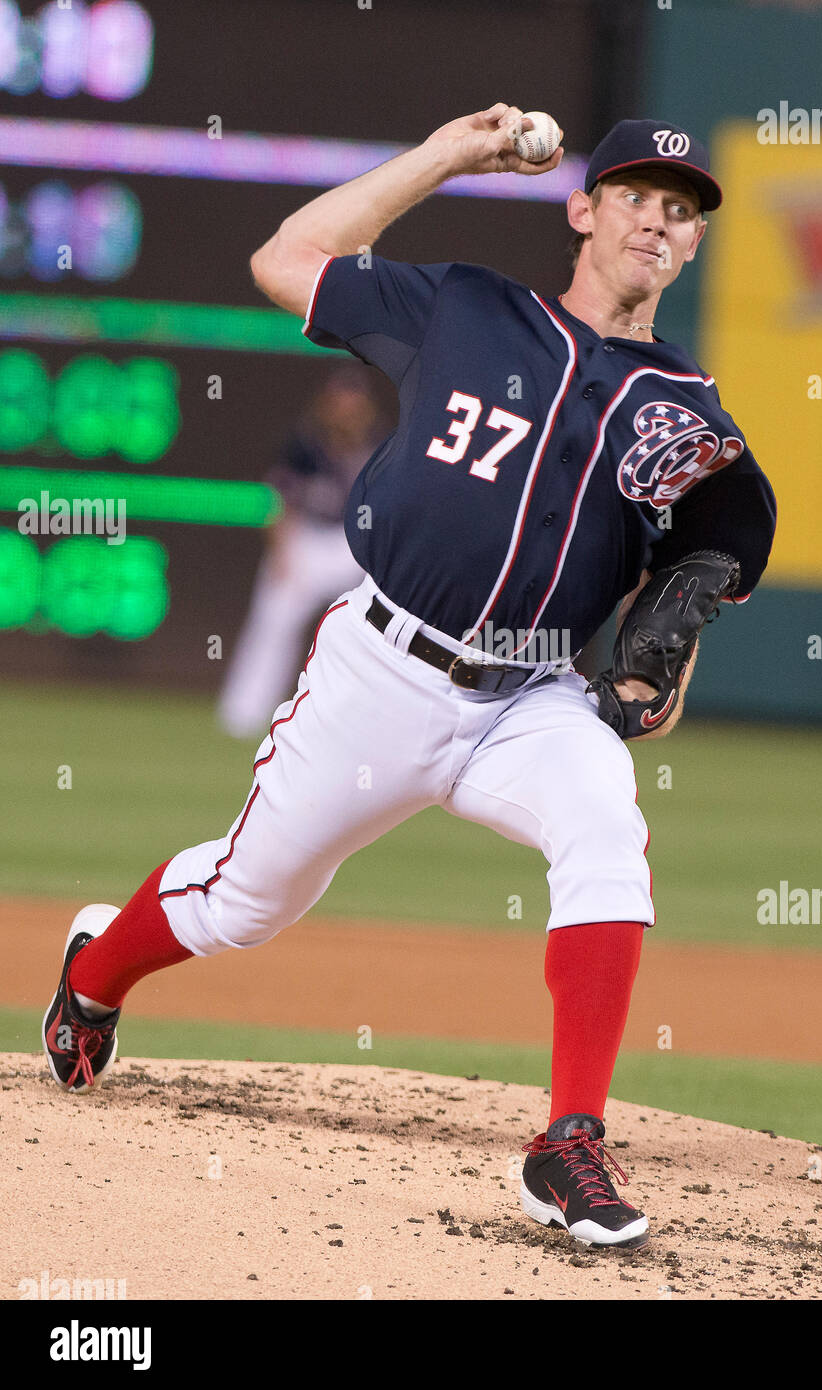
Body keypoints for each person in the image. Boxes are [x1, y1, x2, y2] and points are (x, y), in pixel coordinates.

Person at [43, 106, 776, 1251]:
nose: (657, 219)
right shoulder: (468, 309)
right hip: (384, 670)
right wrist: (445, 157)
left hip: (535, 695)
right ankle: (96, 973)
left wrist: (668, 656)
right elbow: (286, 260)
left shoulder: (686, 416)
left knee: (604, 824)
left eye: (680, 211)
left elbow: (704, 560)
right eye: (635, 194)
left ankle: (568, 1139)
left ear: (690, 247)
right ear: (582, 210)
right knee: (246, 901)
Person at [217, 363, 394, 737]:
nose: (346, 408)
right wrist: (283, 553)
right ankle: (243, 715)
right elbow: (281, 501)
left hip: (352, 546)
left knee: (377, 632)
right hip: (307, 540)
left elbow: (391, 510)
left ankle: (371, 718)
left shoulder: (382, 443)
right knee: (273, 619)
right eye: (340, 400)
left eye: (353, 400)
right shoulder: (304, 441)